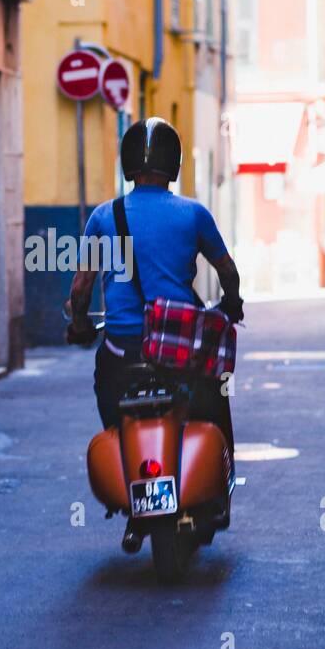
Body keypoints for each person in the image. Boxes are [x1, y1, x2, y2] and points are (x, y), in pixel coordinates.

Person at [66, 118, 243, 457]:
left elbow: (80, 289)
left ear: (126, 163)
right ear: (175, 164)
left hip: (122, 352)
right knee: (215, 402)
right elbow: (228, 272)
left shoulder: (103, 216)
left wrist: (80, 326)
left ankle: (124, 457)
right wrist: (232, 303)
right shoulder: (194, 214)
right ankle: (222, 468)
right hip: (179, 352)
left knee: (106, 387)